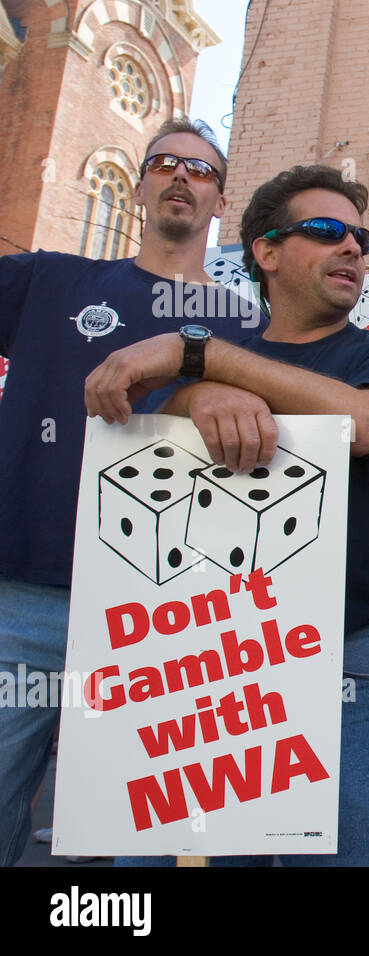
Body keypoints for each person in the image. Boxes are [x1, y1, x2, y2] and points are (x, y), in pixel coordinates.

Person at [85, 164, 369, 865]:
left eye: (360, 238)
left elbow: (364, 425)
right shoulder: (206, 368)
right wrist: (195, 395)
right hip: (205, 664)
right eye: (327, 231)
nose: (353, 250)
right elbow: (138, 431)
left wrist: (204, 359)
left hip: (350, 665)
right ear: (266, 252)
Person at [0, 118, 261, 867]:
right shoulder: (50, 280)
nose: (182, 176)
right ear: (143, 184)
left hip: (173, 613)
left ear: (220, 201)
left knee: (153, 839)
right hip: (27, 594)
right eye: (165, 163)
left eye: (202, 170)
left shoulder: (250, 327)